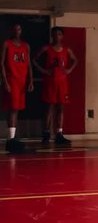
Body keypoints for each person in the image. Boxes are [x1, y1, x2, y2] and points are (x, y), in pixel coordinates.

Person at [33, 27, 77, 147]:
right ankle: (46, 133)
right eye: (55, 34)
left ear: (62, 36)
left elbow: (75, 60)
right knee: (49, 108)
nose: (57, 36)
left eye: (59, 34)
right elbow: (34, 60)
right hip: (50, 81)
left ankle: (59, 134)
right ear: (52, 36)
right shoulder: (46, 48)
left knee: (61, 108)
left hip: (62, 82)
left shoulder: (66, 49)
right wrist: (44, 71)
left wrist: (68, 70)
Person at [1, 23, 34, 154]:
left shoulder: (26, 46)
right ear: (12, 30)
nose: (17, 31)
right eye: (15, 29)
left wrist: (31, 80)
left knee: (17, 108)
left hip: (22, 81)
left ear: (21, 31)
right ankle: (11, 139)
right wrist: (5, 81)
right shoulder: (7, 44)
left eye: (19, 29)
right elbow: (2, 63)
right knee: (13, 108)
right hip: (11, 79)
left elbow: (29, 63)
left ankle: (13, 137)